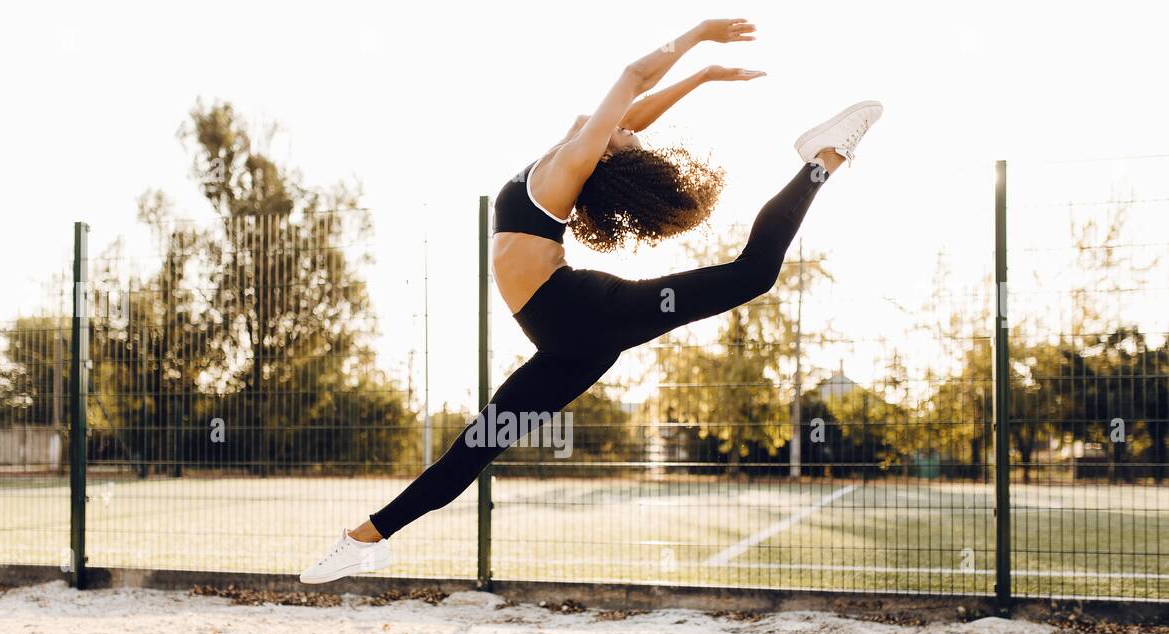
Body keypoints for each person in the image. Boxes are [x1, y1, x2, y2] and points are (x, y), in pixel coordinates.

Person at [302, 17, 882, 583]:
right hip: (566, 341)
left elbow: (633, 93)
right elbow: (632, 86)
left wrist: (700, 63)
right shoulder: (571, 156)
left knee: (752, 273)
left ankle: (821, 157)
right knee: (474, 448)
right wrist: (699, 54)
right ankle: (361, 541)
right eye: (626, 135)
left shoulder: (569, 162)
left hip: (580, 314)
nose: (630, 130)